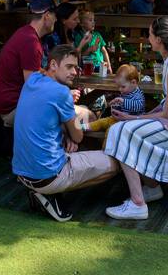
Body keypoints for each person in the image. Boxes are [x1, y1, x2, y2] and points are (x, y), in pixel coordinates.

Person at [103, 16, 168, 220]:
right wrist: (133, 117)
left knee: (120, 131)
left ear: (159, 39)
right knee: (122, 128)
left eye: (149, 34)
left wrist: (134, 119)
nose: (147, 37)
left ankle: (138, 203)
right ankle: (152, 187)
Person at [12, 46, 115, 222]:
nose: (74, 72)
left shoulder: (32, 80)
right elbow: (78, 137)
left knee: (83, 111)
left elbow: (49, 113)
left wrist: (67, 132)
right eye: (69, 67)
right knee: (114, 163)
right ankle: (52, 193)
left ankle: (51, 186)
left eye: (75, 67)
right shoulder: (61, 93)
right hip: (48, 177)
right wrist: (71, 133)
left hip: (22, 173)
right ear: (53, 64)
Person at [0, 0, 57, 126]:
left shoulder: (27, 33)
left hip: (14, 104)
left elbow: (35, 73)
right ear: (47, 15)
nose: (56, 19)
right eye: (55, 16)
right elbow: (33, 86)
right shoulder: (30, 41)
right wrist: (62, 93)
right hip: (13, 109)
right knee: (67, 114)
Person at [80, 64, 146, 134]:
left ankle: (108, 144)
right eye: (118, 87)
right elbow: (122, 105)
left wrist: (123, 101)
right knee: (102, 122)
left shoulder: (138, 95)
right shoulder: (127, 91)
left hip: (130, 122)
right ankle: (83, 127)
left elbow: (138, 106)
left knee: (111, 130)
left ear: (133, 82)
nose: (120, 89)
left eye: (123, 87)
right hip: (118, 119)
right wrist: (115, 105)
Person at [75, 7, 111, 76]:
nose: (93, 22)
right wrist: (89, 50)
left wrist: (109, 66)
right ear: (82, 24)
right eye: (90, 20)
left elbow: (104, 51)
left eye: (94, 20)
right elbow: (79, 56)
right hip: (87, 67)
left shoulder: (97, 35)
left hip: (100, 65)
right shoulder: (78, 37)